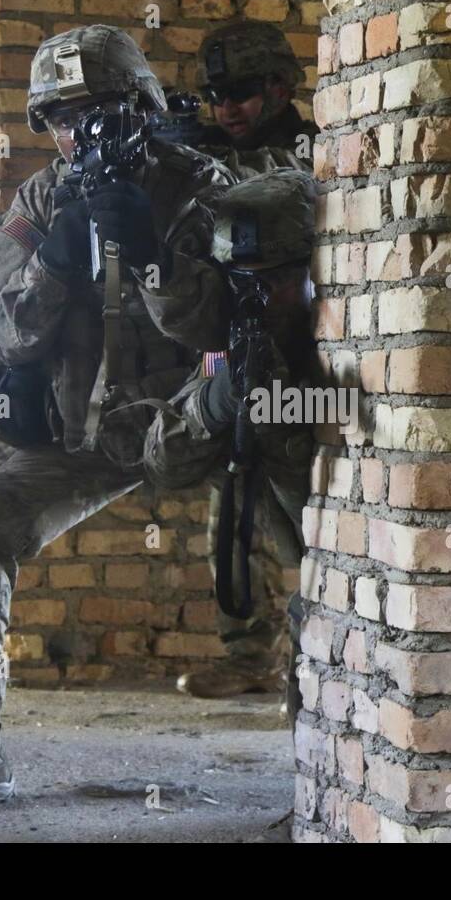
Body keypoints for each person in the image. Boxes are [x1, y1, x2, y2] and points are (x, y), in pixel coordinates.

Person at [0, 25, 232, 819]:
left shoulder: (199, 186)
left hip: (190, 422)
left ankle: (342, 755)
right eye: (59, 120)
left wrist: (151, 251)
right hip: (78, 435)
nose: (76, 136)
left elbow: (220, 332)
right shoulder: (45, 196)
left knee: (296, 524)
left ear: (140, 108)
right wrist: (57, 268)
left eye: (95, 114)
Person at [142, 169, 319, 715]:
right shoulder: (237, 331)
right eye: (240, 278)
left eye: (273, 280)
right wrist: (216, 400)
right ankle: (256, 657)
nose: (256, 296)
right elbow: (164, 463)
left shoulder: (343, 339)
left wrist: (284, 409)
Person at [194, 20, 319, 179]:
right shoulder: (210, 144)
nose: (228, 110)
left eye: (241, 93)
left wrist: (199, 166)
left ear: (279, 90)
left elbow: (288, 169)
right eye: (216, 96)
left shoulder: (311, 145)